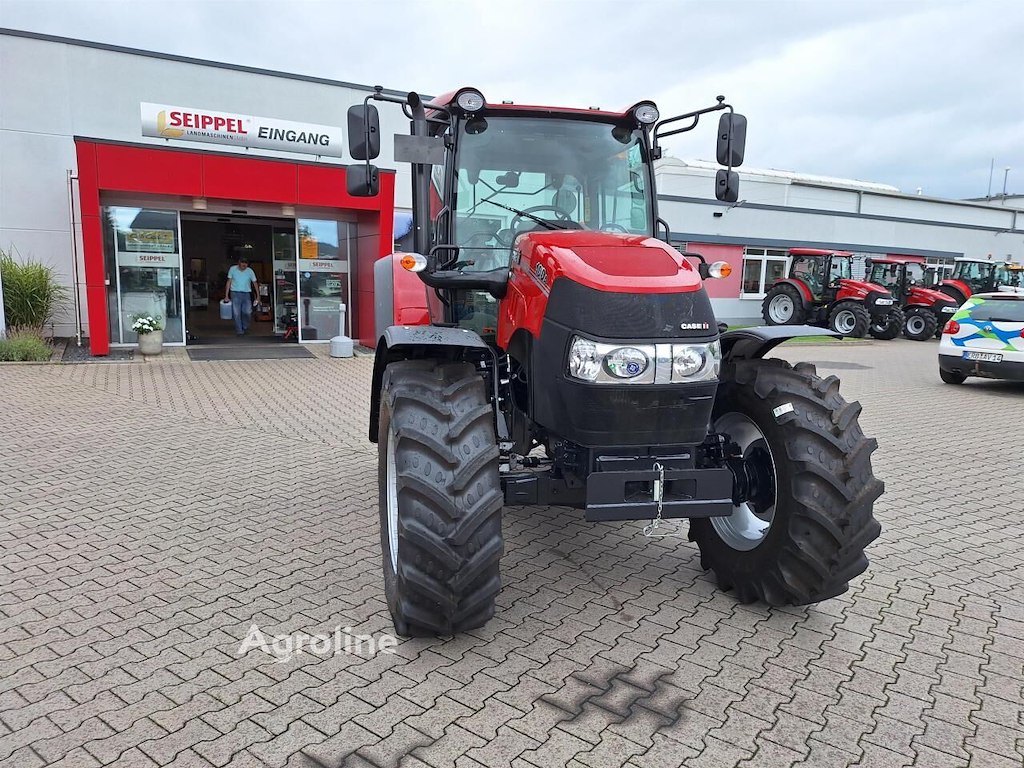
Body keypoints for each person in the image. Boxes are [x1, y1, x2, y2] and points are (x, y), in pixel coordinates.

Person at [224, 256, 260, 335]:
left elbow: (255, 283)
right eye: (242, 263)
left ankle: (245, 326)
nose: (244, 265)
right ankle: (239, 330)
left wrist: (258, 296)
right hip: (235, 293)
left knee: (247, 312)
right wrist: (226, 295)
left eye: (246, 264)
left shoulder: (250, 271)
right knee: (236, 313)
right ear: (239, 263)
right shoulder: (232, 269)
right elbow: (229, 282)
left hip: (246, 294)